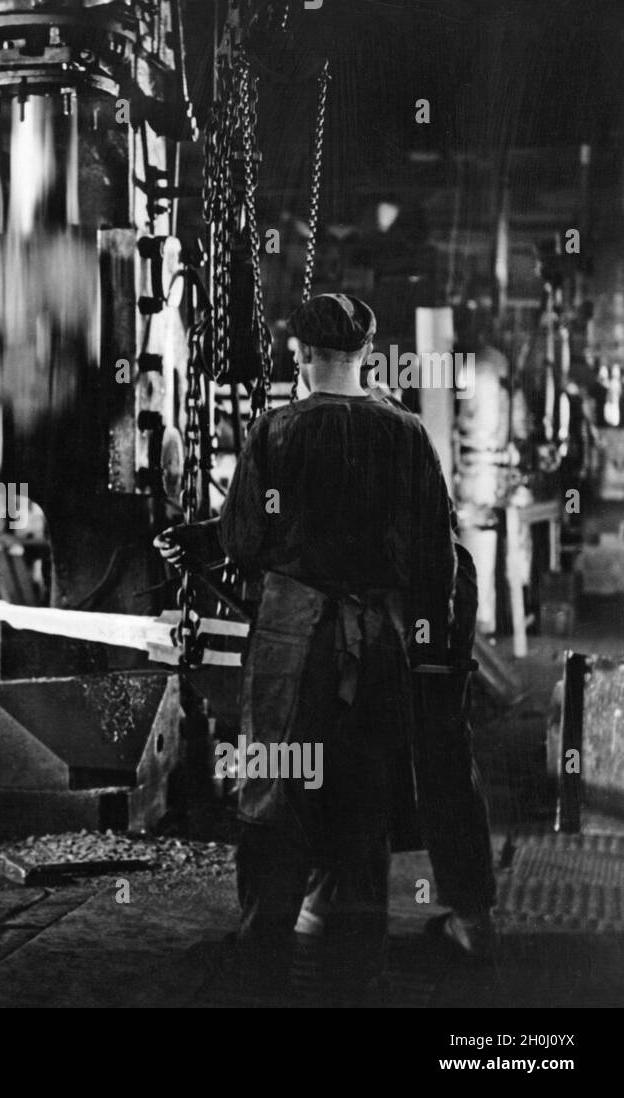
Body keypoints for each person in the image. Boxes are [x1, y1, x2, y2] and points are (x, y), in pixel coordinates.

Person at [159, 293, 456, 998]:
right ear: (366, 355)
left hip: (295, 649)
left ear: (301, 355)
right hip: (377, 650)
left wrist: (200, 540)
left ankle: (263, 965)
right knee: (362, 805)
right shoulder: (408, 434)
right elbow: (435, 557)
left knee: (277, 800)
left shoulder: (276, 431)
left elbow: (242, 541)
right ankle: (358, 975)